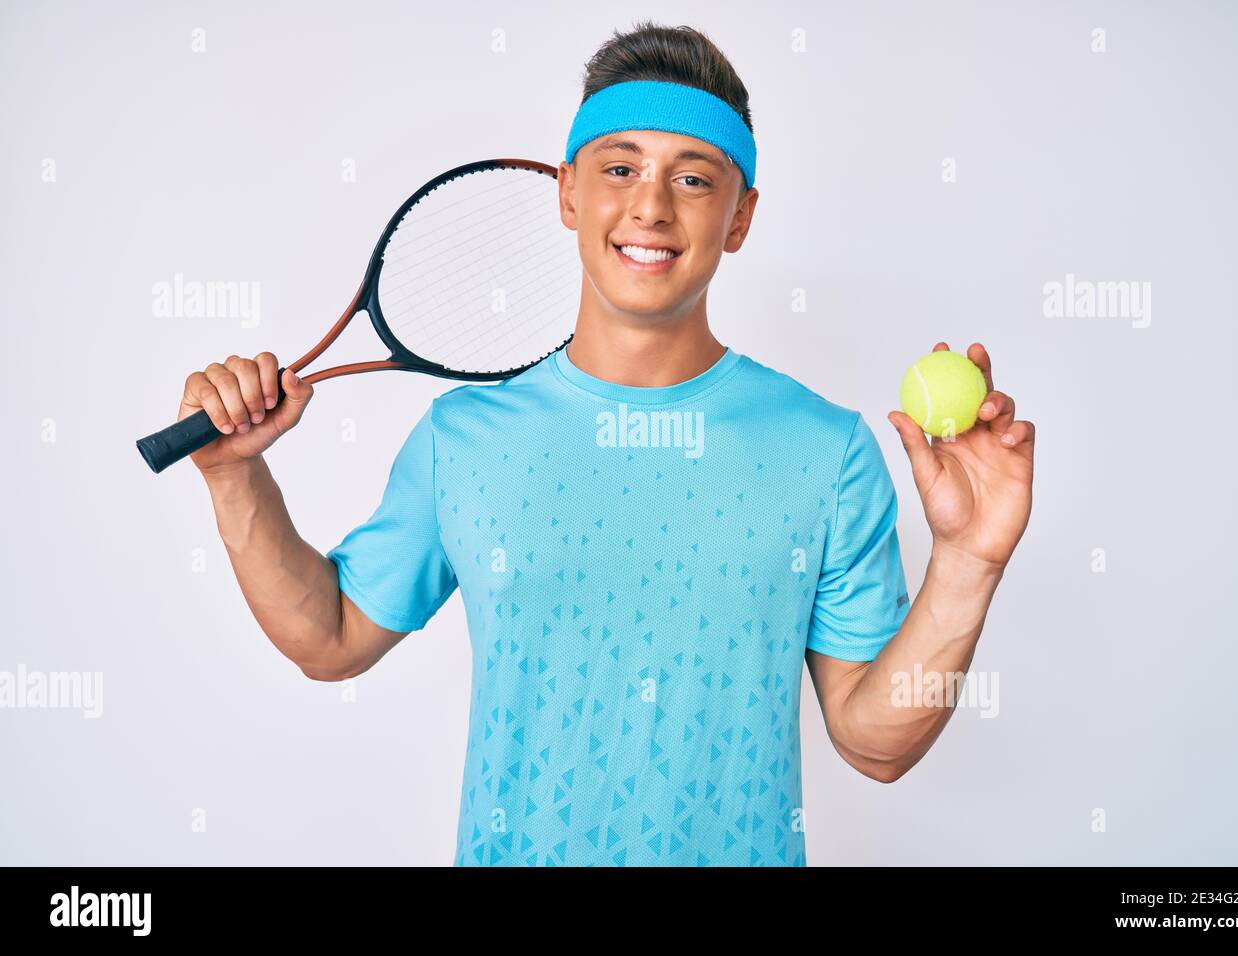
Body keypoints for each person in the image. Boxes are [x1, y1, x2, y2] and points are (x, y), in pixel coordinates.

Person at [172, 21, 1035, 866]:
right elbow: (329, 637)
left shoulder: (829, 450)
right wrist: (233, 478)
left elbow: (875, 741)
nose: (651, 208)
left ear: (741, 217)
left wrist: (968, 560)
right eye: (620, 168)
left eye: (694, 179)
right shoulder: (464, 441)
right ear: (569, 193)